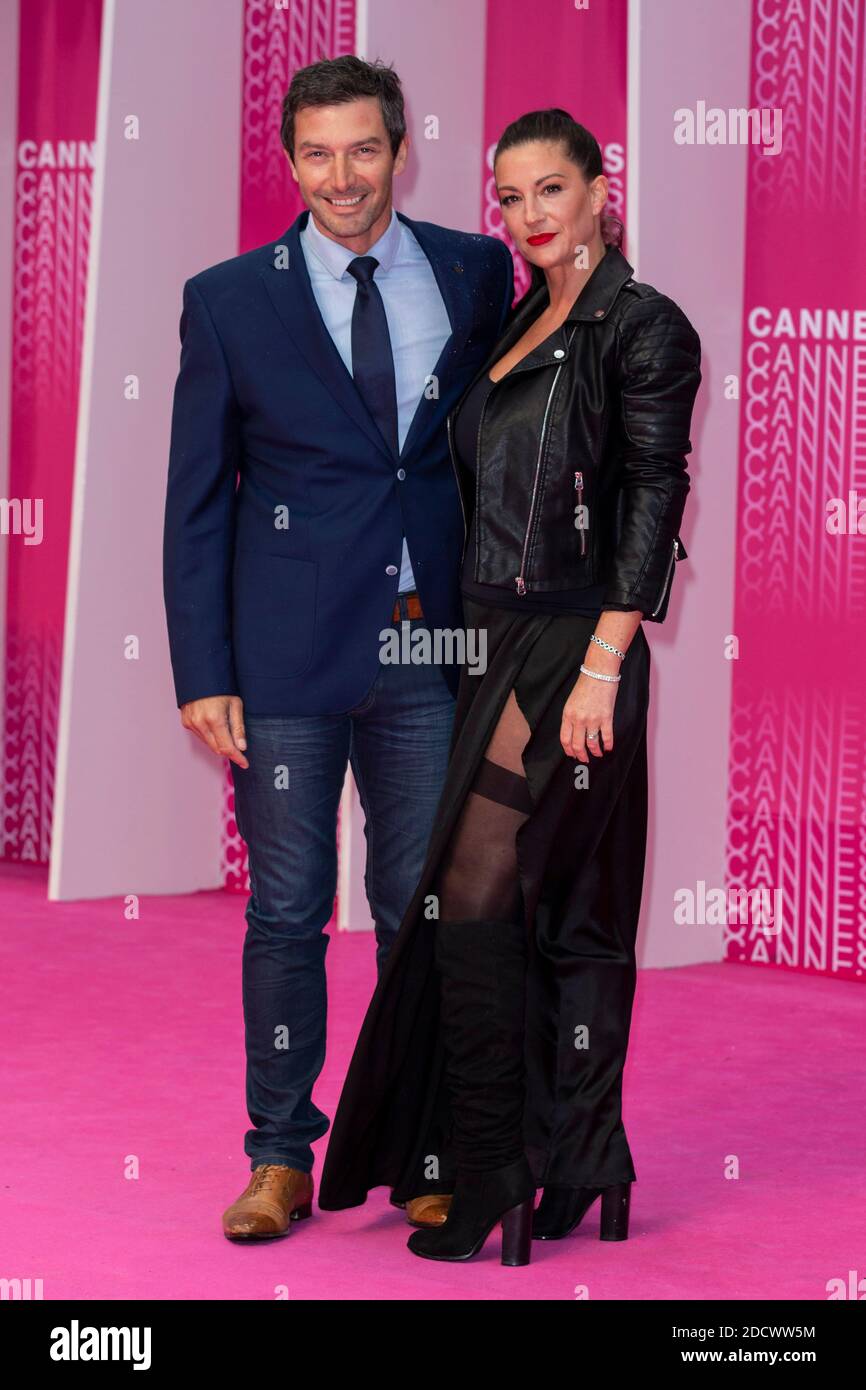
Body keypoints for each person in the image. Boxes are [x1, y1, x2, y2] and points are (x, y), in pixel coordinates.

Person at [318, 108, 702, 1266]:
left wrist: (600, 666)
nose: (530, 217)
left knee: (479, 895)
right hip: (488, 641)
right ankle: (578, 1157)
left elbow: (649, 506)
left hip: (566, 649)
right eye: (511, 198)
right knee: (553, 910)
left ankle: (496, 1162)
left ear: (599, 187)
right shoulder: (523, 312)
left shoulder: (642, 327)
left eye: (550, 191)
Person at [161, 55, 513, 1241]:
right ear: (290, 160)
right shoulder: (227, 298)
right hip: (286, 659)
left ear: (401, 148)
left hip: (428, 648)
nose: (342, 177)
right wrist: (204, 669)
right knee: (287, 910)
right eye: (316, 153)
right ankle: (277, 1154)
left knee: (421, 909)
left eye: (364, 150)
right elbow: (198, 499)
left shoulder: (473, 271)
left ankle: (420, 1139)